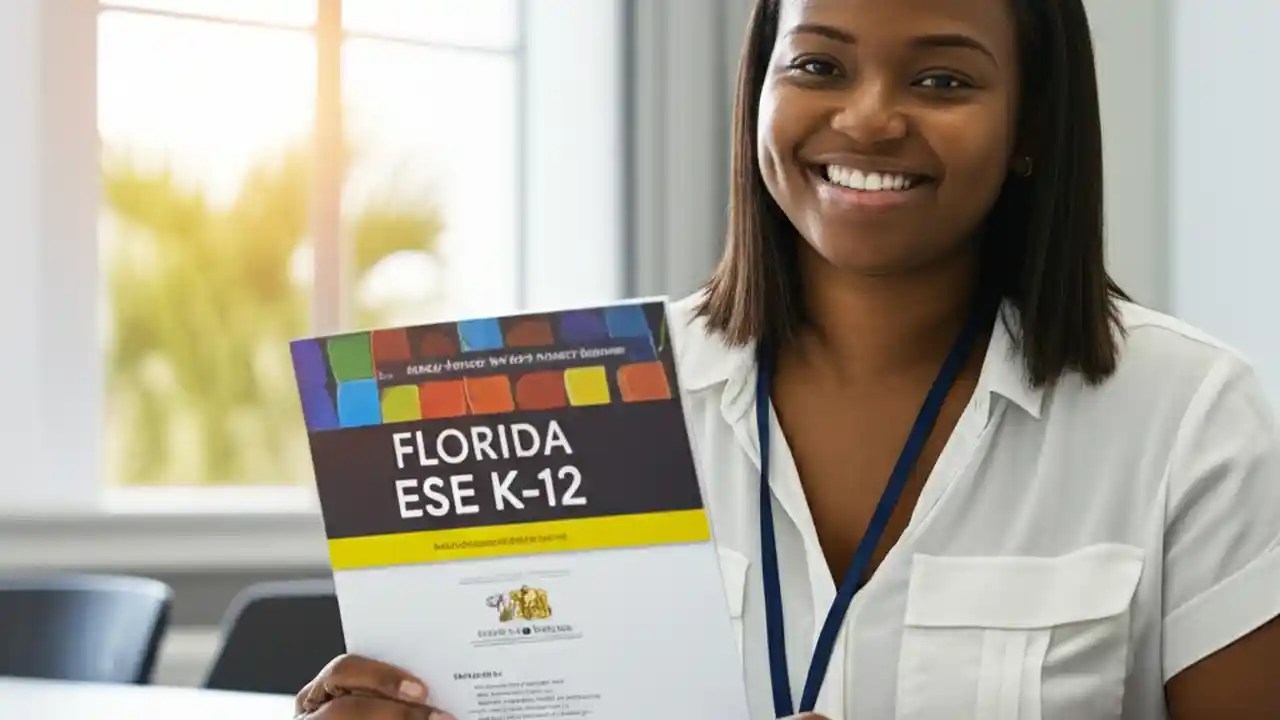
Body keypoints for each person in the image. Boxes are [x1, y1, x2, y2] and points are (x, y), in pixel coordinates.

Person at [294, 0, 1280, 717]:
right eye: (817, 65)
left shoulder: (1186, 415)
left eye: (942, 80)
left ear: (1030, 124)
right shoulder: (576, 402)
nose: (868, 117)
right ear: (758, 92)